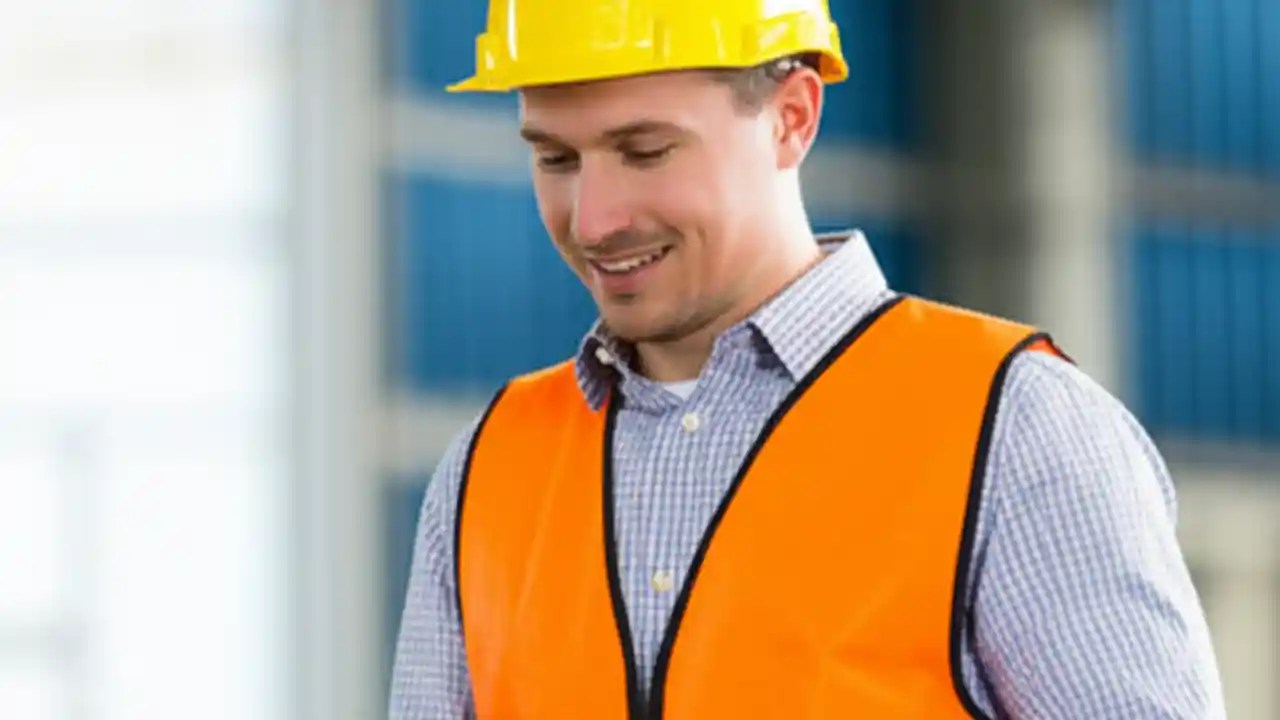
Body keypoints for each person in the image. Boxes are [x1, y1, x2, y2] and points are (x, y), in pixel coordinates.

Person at [390, 1, 1225, 717]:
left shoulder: (1014, 430)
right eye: (556, 159)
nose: (596, 218)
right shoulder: (486, 472)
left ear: (792, 116)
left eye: (646, 152)